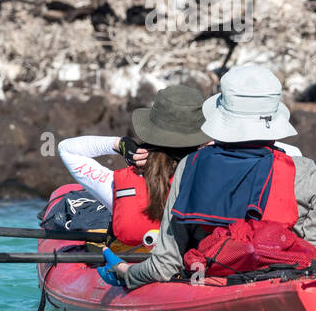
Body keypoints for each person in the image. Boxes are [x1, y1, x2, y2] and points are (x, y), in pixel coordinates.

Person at [103, 65, 316, 289]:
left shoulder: (191, 165)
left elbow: (164, 266)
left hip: (212, 285)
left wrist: (127, 273)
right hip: (289, 285)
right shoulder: (305, 171)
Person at [56, 85, 210, 255]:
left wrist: (118, 144)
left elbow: (66, 148)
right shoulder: (217, 176)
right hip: (195, 266)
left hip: (135, 266)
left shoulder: (116, 184)